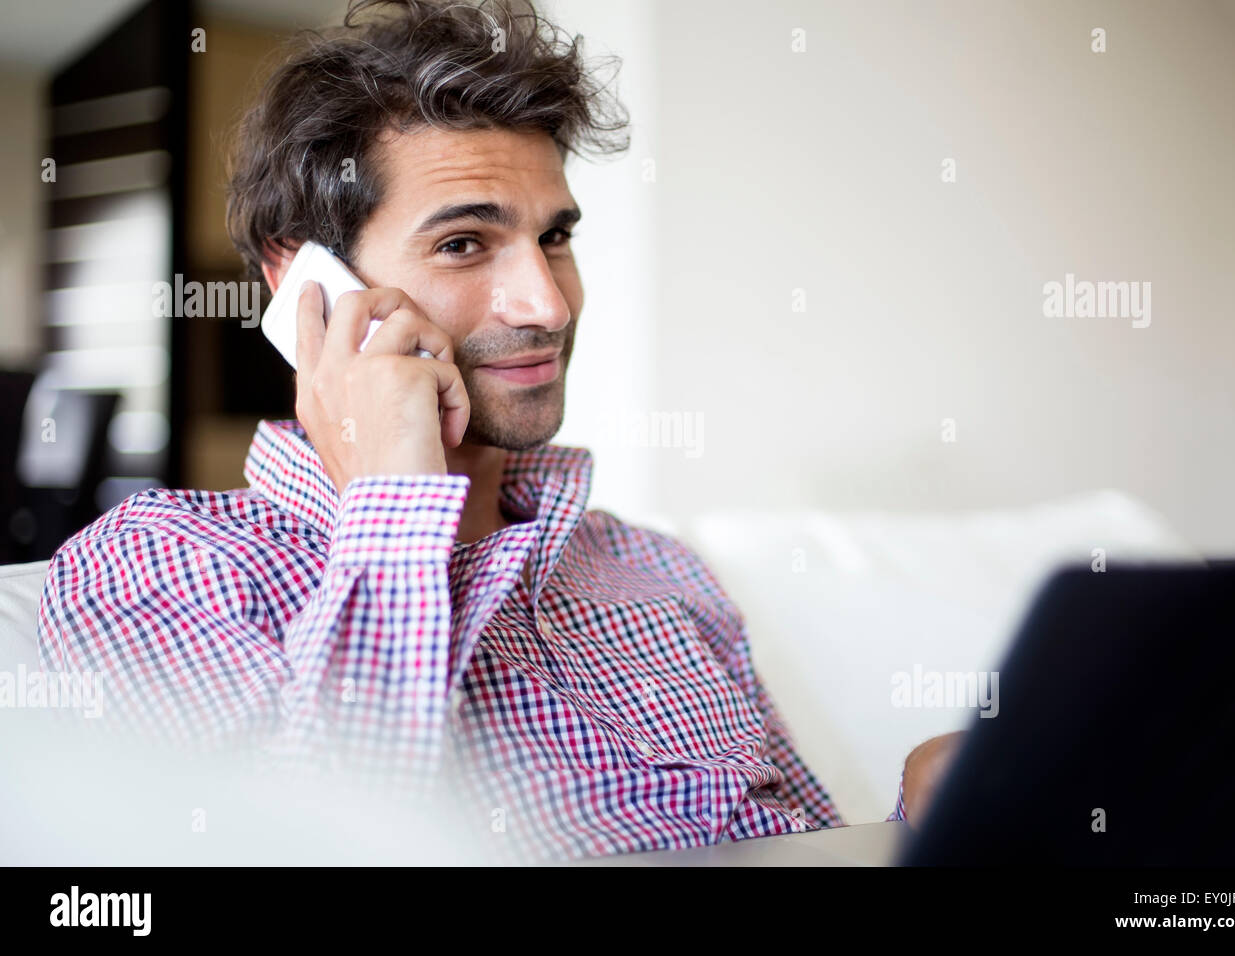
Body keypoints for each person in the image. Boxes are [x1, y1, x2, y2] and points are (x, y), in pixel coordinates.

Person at [36, 0, 948, 862]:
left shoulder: (662, 570)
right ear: (307, 284)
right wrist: (394, 496)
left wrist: (923, 826)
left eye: (555, 238)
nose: (549, 304)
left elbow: (808, 849)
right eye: (465, 243)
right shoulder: (162, 565)